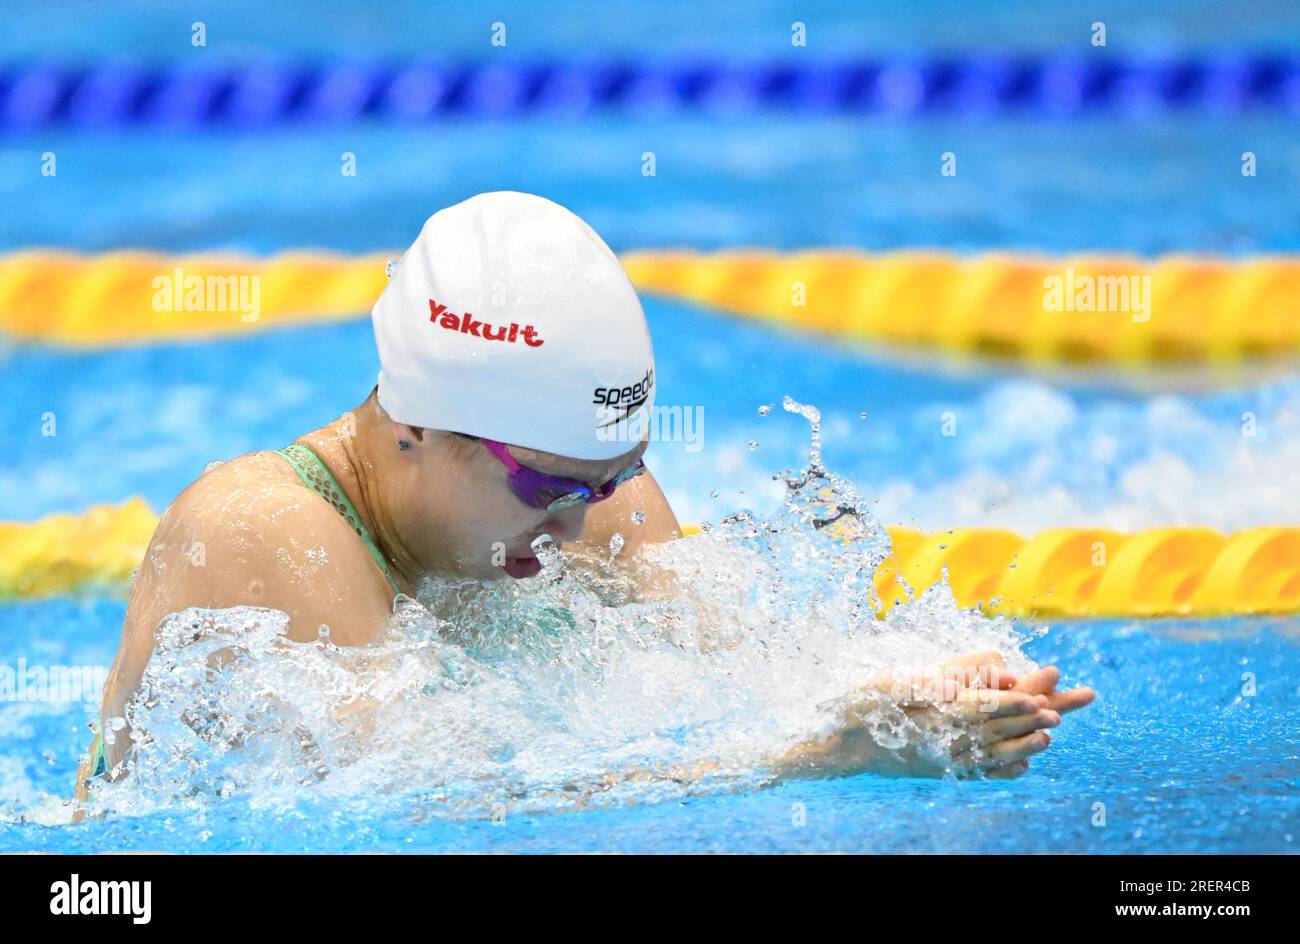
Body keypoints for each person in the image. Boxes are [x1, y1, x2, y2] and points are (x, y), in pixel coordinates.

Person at [77, 192, 1092, 799]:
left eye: (607, 480)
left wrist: (912, 692)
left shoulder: (586, 495)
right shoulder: (265, 531)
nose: (577, 528)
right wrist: (830, 752)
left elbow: (745, 668)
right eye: (546, 487)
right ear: (416, 424)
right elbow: (430, 813)